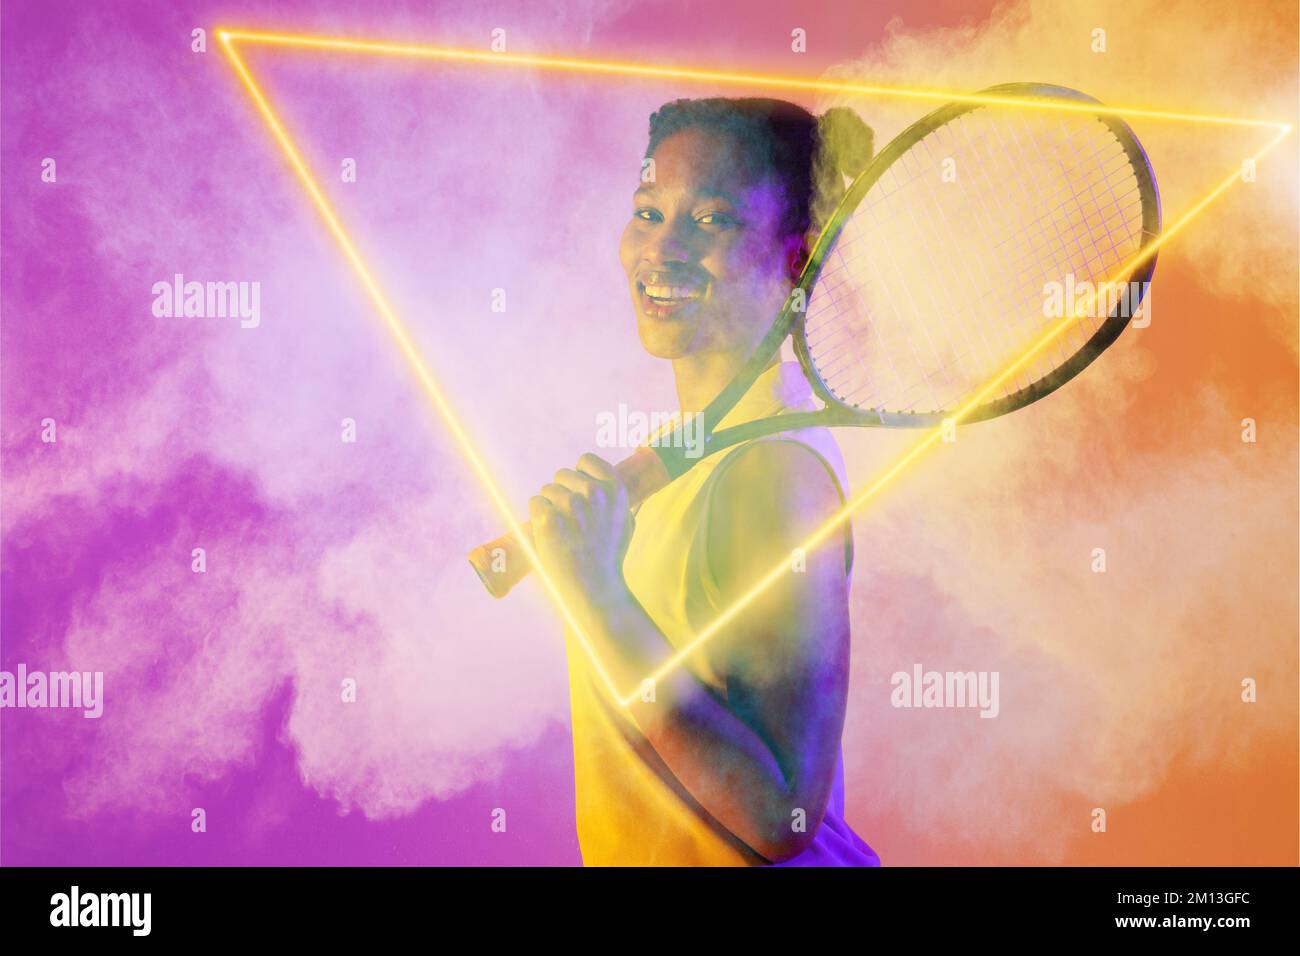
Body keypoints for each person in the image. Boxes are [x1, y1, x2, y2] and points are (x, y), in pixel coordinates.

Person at [528, 97, 880, 865]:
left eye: (713, 220)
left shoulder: (772, 474)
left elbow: (779, 818)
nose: (663, 249)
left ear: (795, 259)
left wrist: (596, 594)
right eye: (648, 212)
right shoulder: (686, 453)